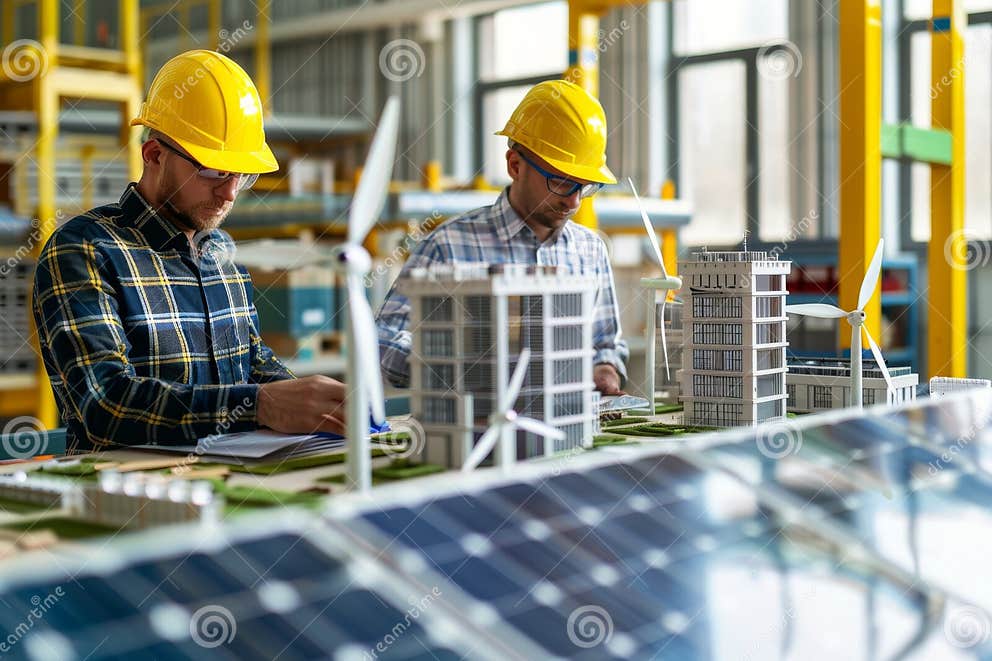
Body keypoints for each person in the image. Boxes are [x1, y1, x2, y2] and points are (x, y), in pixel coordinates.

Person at [33, 50, 346, 454]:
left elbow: (251, 363)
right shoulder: (84, 250)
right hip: (133, 502)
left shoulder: (219, 253)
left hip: (230, 489)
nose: (230, 192)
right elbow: (106, 405)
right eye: (213, 171)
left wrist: (316, 400)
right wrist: (259, 404)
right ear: (155, 155)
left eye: (240, 175)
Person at [377, 79, 629, 394]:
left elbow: (606, 342)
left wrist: (605, 369)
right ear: (515, 165)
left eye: (586, 187)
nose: (574, 201)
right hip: (478, 430)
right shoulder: (449, 246)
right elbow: (384, 343)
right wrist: (468, 370)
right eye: (562, 183)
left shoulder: (590, 251)